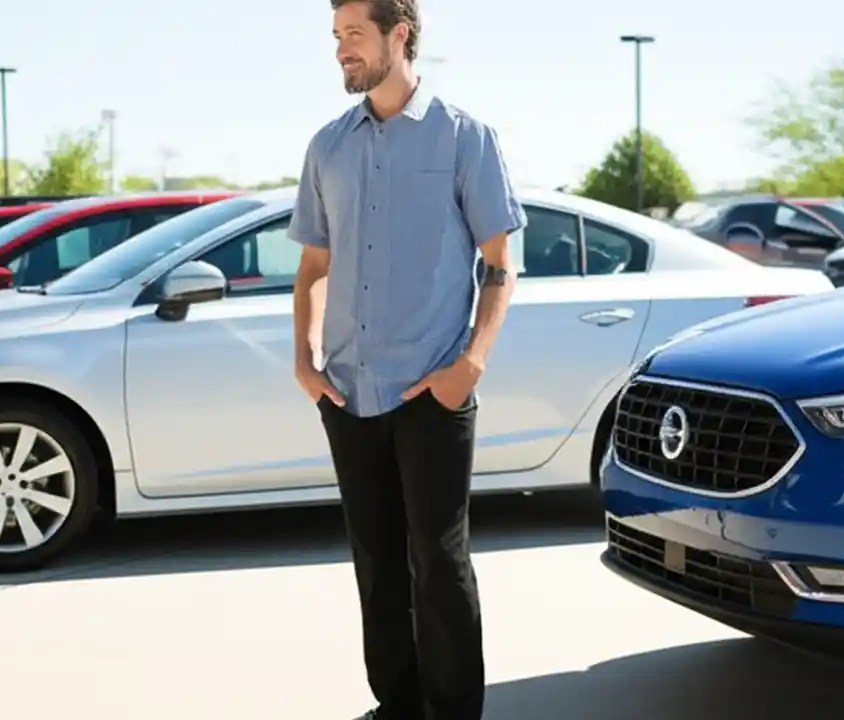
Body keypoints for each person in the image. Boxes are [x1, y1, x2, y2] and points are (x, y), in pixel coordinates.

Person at [287, 0, 526, 717]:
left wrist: (471, 365)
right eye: (336, 38)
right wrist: (304, 359)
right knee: (376, 564)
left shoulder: (464, 138)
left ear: (401, 34)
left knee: (439, 564)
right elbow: (312, 267)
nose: (341, 51)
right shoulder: (328, 145)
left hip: (433, 389)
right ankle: (397, 707)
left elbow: (501, 266)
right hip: (347, 392)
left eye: (354, 35)